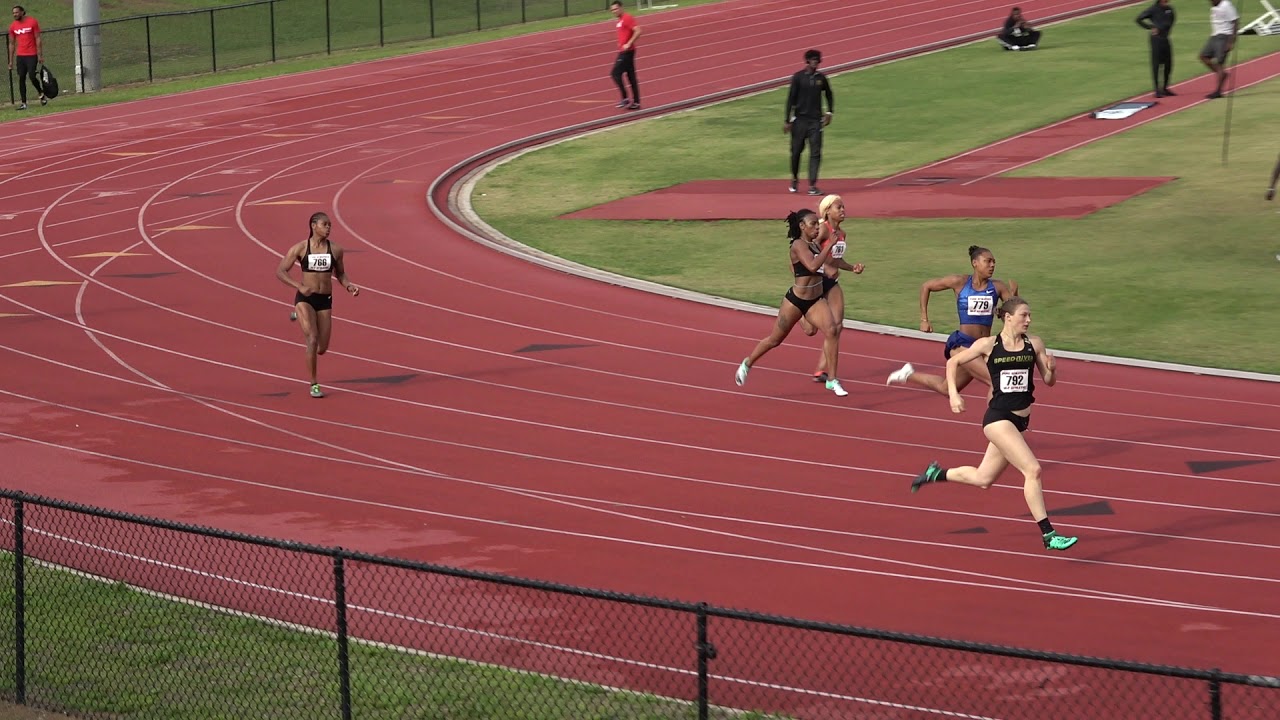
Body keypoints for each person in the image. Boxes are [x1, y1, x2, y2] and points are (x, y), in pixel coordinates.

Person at [908, 297, 1078, 552]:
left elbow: (1049, 380)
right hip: (998, 418)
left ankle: (936, 473)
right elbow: (953, 362)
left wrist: (1052, 370)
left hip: (1020, 421)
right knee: (1033, 470)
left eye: (1030, 316)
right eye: (1024, 315)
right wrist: (953, 394)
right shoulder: (988, 345)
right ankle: (1049, 535)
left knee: (983, 479)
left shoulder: (1035, 344)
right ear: (1008, 317)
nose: (1029, 320)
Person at [885, 245, 1018, 397]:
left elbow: (1012, 314)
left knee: (946, 389)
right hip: (962, 343)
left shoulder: (998, 286)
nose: (992, 265)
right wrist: (924, 319)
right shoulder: (960, 282)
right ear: (975, 263)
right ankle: (997, 420)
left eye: (994, 262)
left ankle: (908, 374)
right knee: (997, 383)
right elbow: (926, 286)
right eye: (988, 261)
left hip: (983, 345)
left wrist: (1014, 297)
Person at [735, 209, 842, 392]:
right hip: (796, 301)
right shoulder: (798, 245)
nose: (817, 228)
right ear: (802, 226)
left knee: (831, 330)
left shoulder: (815, 246)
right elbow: (812, 265)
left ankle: (832, 379)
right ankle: (747, 363)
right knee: (775, 340)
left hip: (815, 300)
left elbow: (825, 265)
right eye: (813, 224)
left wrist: (843, 267)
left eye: (818, 224)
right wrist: (829, 246)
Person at [275, 212, 360, 399]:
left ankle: (298, 315)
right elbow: (280, 271)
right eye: (325, 224)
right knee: (312, 339)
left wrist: (349, 286)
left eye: (330, 225)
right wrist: (299, 286)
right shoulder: (301, 248)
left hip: (325, 300)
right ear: (314, 226)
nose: (329, 228)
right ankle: (314, 384)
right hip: (306, 298)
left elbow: (341, 274)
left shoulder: (335, 250)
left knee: (322, 348)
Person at [804, 194, 864, 397]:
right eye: (839, 207)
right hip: (816, 282)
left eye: (843, 207)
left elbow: (836, 259)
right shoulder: (821, 230)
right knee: (811, 330)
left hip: (832, 284)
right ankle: (802, 313)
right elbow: (808, 250)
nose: (843, 210)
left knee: (837, 326)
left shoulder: (842, 234)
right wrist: (820, 268)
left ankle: (822, 370)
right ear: (827, 210)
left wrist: (851, 267)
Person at [783, 49, 834, 196]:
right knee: (796, 152)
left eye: (817, 60)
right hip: (799, 121)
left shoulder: (821, 78)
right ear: (807, 61)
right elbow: (791, 99)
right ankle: (794, 178)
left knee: (816, 153)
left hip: (815, 122)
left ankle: (812, 185)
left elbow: (829, 94)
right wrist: (787, 120)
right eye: (812, 60)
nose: (815, 63)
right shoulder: (798, 78)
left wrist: (830, 112)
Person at [7, 5, 44, 110]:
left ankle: (41, 93)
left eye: (17, 12)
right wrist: (10, 61)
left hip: (31, 54)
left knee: (32, 76)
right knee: (21, 78)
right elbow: (12, 43)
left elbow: (38, 38)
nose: (15, 14)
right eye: (13, 13)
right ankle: (24, 103)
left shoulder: (32, 22)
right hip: (20, 56)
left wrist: (40, 55)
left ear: (22, 12)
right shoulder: (13, 26)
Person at [1137, 0, 1177, 97]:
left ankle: (1165, 88)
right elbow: (1139, 19)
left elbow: (1172, 19)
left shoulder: (1169, 9)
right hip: (1156, 39)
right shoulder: (1153, 9)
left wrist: (1167, 30)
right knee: (1157, 64)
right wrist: (1150, 27)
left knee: (1168, 63)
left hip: (1165, 38)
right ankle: (1157, 90)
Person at [1199, 0, 1238, 100]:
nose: (1210, 2)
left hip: (1224, 36)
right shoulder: (1215, 5)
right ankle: (1221, 74)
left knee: (1219, 63)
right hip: (1215, 35)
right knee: (1203, 56)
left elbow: (1235, 22)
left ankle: (1218, 91)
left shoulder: (1226, 5)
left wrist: (1231, 42)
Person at [609, 1, 641, 111]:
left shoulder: (627, 18)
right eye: (612, 10)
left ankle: (625, 97)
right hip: (625, 51)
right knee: (631, 76)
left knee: (615, 73)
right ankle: (636, 102)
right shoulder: (620, 20)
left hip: (626, 52)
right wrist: (621, 42)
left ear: (621, 8)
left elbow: (638, 31)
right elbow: (624, 33)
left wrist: (629, 43)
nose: (614, 11)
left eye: (616, 9)